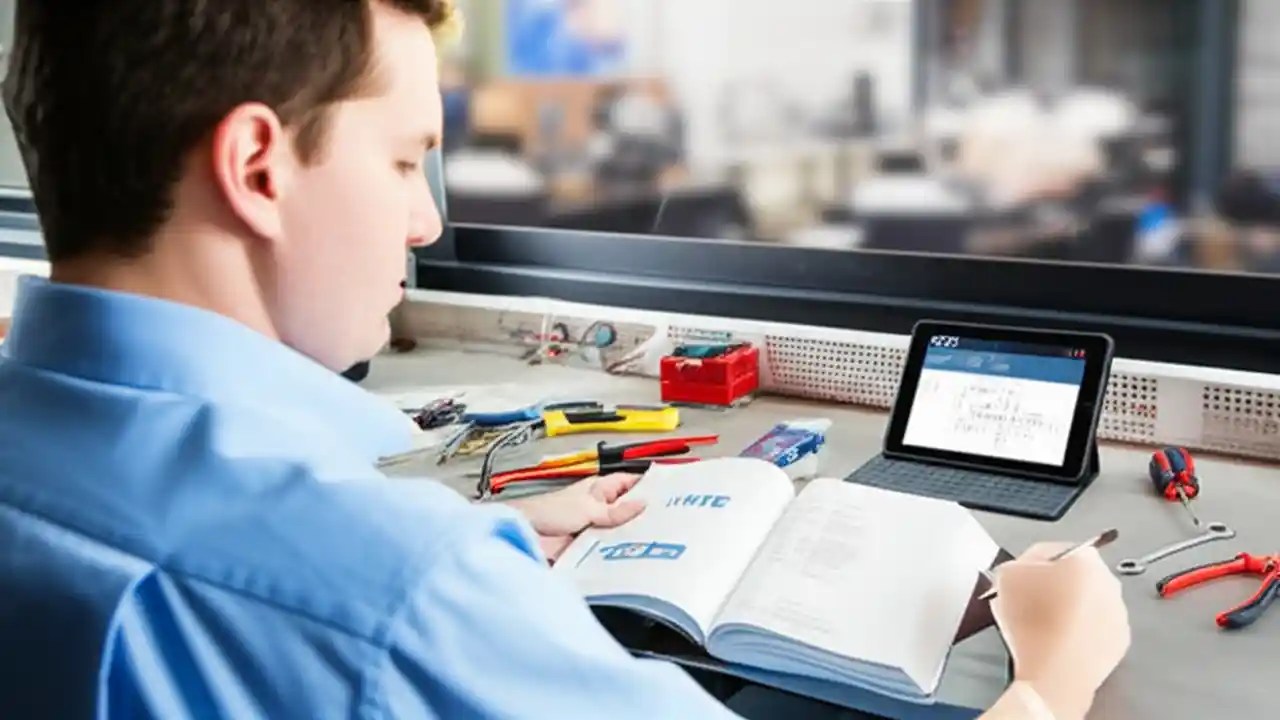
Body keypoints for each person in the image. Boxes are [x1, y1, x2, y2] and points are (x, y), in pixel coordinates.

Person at [0, 2, 1129, 718]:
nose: (425, 224)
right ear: (257, 168)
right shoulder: (393, 592)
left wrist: (472, 537)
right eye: (404, 162)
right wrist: (1051, 676)